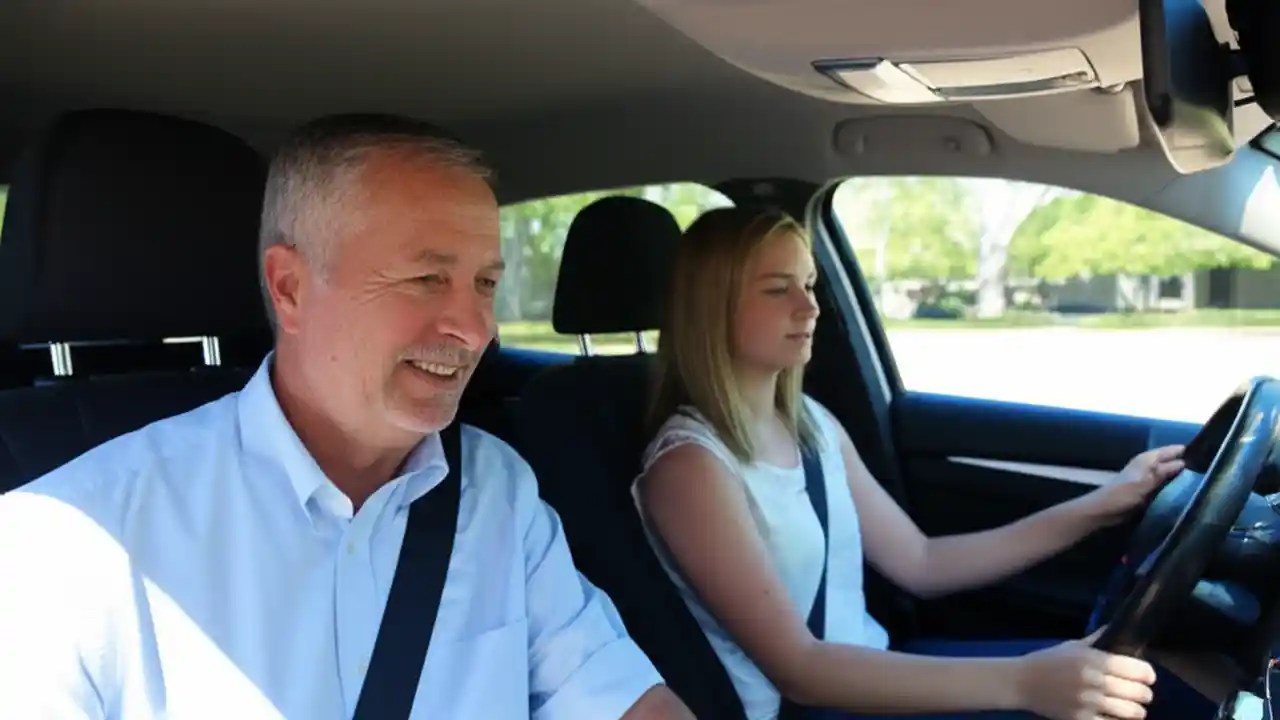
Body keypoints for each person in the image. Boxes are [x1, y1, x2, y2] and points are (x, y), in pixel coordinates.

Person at [0, 114, 693, 719]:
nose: (475, 328)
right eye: (427, 278)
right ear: (291, 287)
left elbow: (617, 698)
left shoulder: (495, 490)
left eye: (485, 283)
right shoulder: (65, 543)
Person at [633, 205, 1216, 720]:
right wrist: (1025, 682)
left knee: (1151, 680)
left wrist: (1102, 505)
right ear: (713, 305)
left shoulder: (811, 423)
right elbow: (800, 668)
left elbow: (922, 562)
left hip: (877, 673)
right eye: (778, 288)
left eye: (810, 284)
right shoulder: (690, 467)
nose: (809, 306)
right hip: (818, 705)